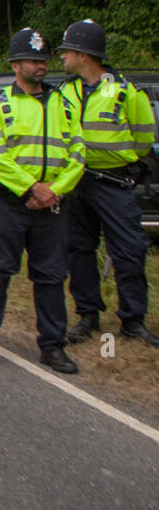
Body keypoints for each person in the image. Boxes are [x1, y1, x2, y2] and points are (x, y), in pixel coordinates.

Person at [0, 28, 84, 374]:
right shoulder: (0, 105)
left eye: (43, 60)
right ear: (16, 65)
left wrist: (55, 190)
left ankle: (52, 345)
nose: (41, 66)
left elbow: (78, 153)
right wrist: (33, 188)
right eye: (33, 60)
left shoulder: (64, 104)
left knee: (50, 276)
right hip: (12, 203)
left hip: (52, 205)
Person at [57, 19, 159, 347]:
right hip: (76, 183)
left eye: (67, 52)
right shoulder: (64, 91)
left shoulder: (125, 91)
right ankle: (87, 315)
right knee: (78, 250)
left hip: (113, 183)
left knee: (129, 250)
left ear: (84, 55)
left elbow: (144, 138)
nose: (61, 58)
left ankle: (133, 320)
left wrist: (128, 160)